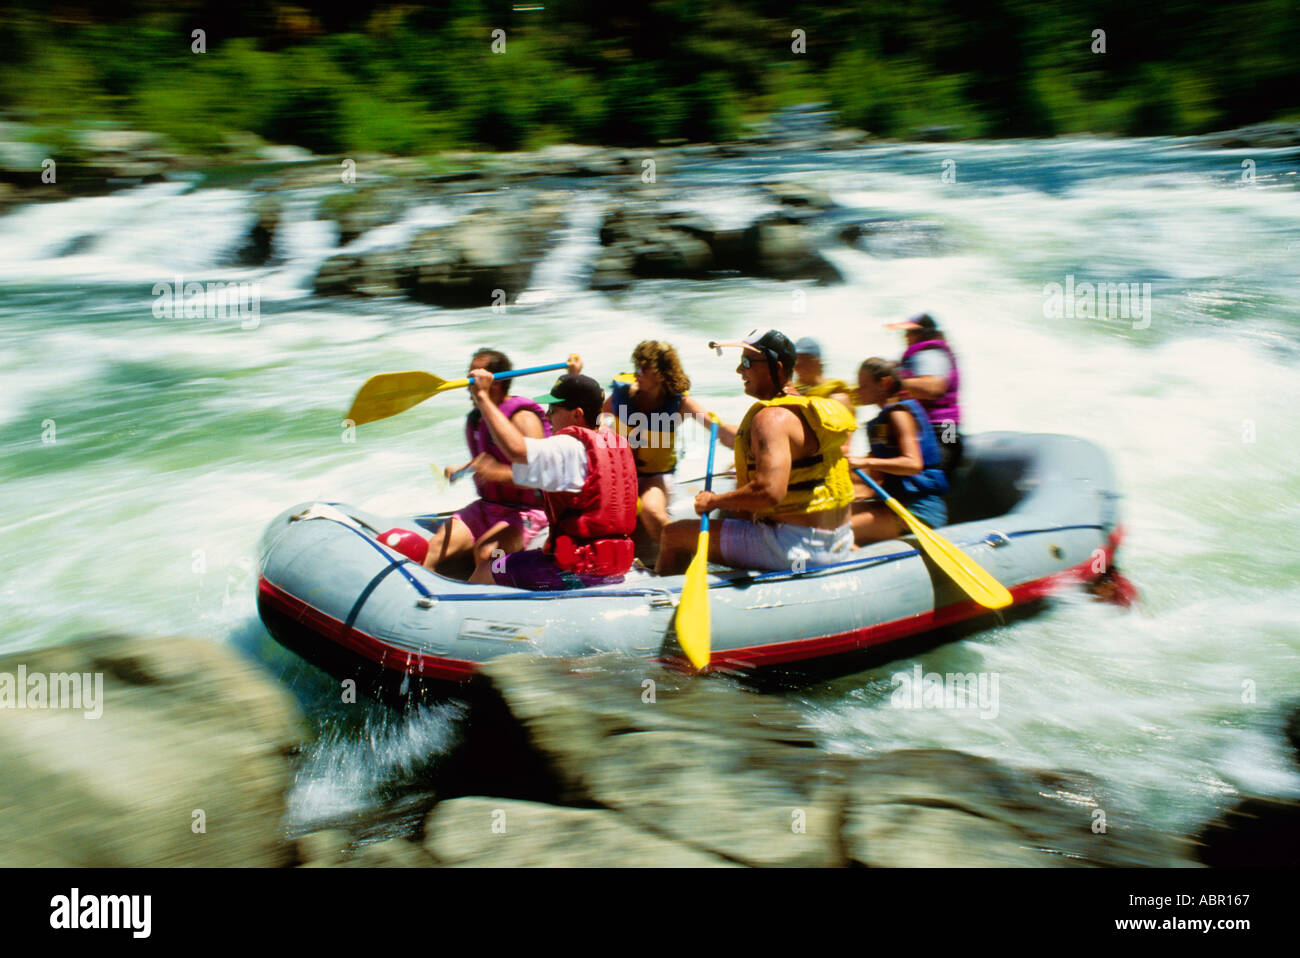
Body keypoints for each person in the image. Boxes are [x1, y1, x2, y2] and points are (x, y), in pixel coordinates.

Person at [655, 330, 857, 576]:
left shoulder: (770, 418)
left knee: (673, 534)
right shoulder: (805, 411)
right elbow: (739, 439)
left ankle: (662, 603)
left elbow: (768, 493)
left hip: (792, 548)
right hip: (838, 540)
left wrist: (713, 501)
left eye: (748, 363)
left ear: (777, 367)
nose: (740, 370)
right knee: (736, 511)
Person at [466, 370, 639, 590]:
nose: (547, 416)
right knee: (521, 556)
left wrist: (483, 397)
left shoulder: (569, 445)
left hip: (574, 569)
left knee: (492, 567)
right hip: (615, 563)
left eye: (553, 409)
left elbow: (516, 450)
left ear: (577, 415)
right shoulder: (615, 443)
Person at [574, 341, 736, 546]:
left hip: (656, 478)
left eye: (642, 369)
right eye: (636, 368)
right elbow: (593, 423)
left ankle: (678, 555)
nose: (636, 374)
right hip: (619, 475)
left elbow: (719, 430)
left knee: (650, 510)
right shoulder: (621, 396)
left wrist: (749, 440)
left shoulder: (681, 404)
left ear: (660, 374)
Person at [422, 349, 550, 574]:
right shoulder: (477, 418)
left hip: (527, 512)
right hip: (487, 507)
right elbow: (489, 460)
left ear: (495, 383)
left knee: (486, 552)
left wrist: (497, 473)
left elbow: (540, 476)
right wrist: (463, 469)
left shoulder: (523, 418)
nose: (467, 385)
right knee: (437, 546)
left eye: (472, 378)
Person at [849, 357, 949, 545]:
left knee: (842, 532)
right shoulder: (878, 423)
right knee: (836, 513)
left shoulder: (899, 413)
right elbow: (878, 476)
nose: (858, 391)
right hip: (895, 504)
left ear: (884, 384)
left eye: (863, 386)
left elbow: (913, 464)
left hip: (918, 510)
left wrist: (864, 462)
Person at [884, 313, 963, 471]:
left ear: (923, 333)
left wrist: (892, 384)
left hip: (943, 428)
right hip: (931, 428)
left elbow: (933, 387)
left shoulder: (930, 354)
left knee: (934, 475)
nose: (905, 336)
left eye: (910, 332)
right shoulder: (920, 356)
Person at [790, 337, 854, 411]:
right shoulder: (792, 391)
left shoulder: (836, 391)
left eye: (806, 360)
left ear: (818, 362)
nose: (799, 367)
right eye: (797, 362)